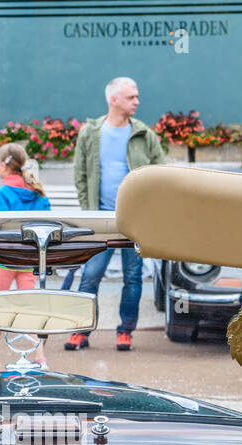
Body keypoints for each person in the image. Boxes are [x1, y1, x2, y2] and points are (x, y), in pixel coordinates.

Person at [67, 76, 164, 352]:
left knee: (132, 278)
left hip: (134, 220)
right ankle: (80, 331)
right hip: (100, 219)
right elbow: (81, 175)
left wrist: (149, 209)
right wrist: (89, 211)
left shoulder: (144, 134)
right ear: (114, 100)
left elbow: (161, 172)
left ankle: (125, 331)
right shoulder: (90, 132)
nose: (137, 101)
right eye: (131, 97)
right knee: (90, 276)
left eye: (136, 96)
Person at [0, 142, 50, 373]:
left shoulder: (1, 193)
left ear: (3, 166)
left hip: (5, 258)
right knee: (30, 308)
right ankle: (40, 359)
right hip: (31, 258)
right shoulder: (38, 192)